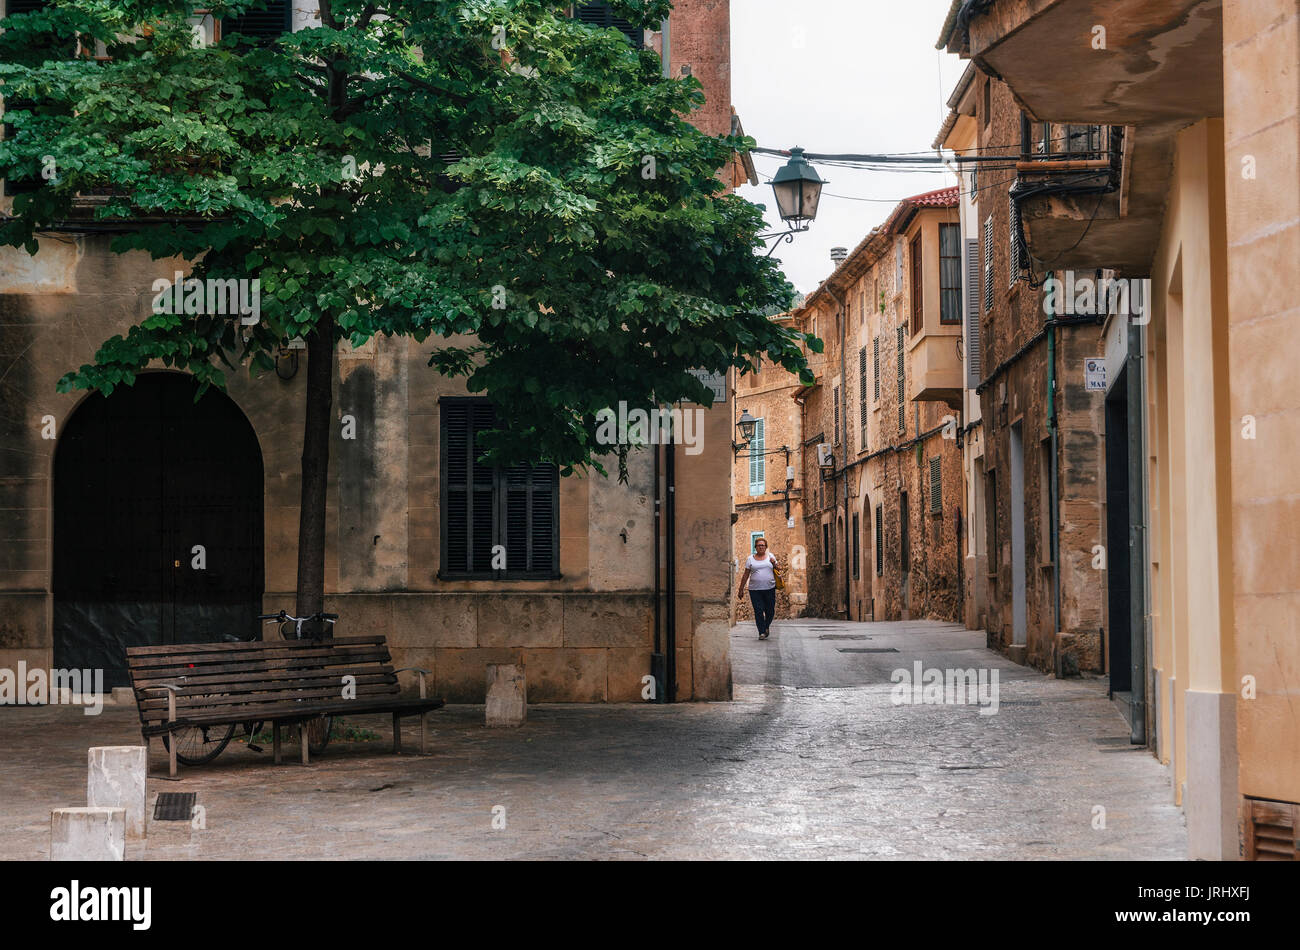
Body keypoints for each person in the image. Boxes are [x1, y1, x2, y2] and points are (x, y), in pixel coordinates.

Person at [738, 537, 779, 640]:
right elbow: (746, 574)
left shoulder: (770, 556)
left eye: (763, 545)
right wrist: (741, 589)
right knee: (758, 610)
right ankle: (761, 632)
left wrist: (774, 563)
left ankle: (766, 626)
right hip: (755, 590)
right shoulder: (750, 559)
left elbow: (779, 568)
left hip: (769, 588)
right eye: (759, 545)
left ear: (766, 547)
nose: (761, 547)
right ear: (755, 547)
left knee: (770, 611)